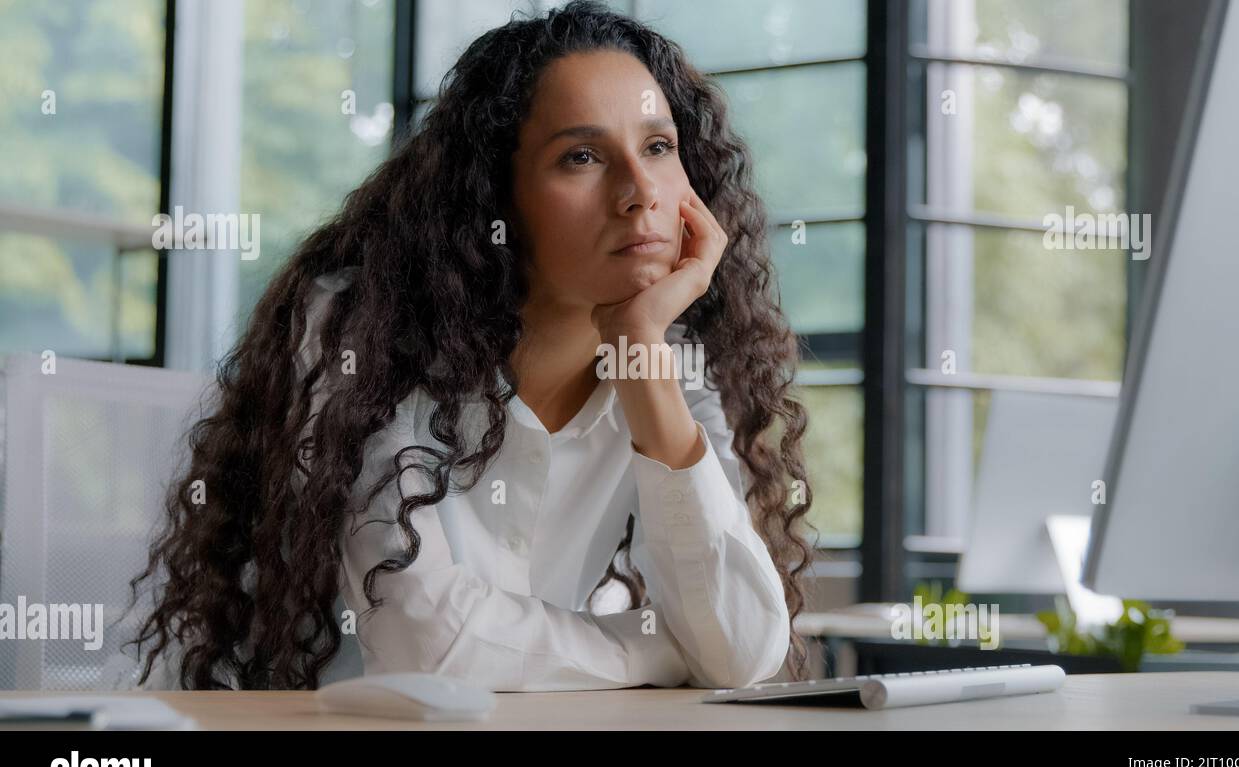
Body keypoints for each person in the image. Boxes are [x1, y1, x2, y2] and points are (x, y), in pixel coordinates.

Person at [127, 0, 816, 692]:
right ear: (497, 195)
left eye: (658, 148)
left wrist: (639, 349)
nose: (640, 193)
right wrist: (657, 655)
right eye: (581, 156)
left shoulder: (669, 362)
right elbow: (422, 641)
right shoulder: (360, 330)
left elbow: (742, 651)